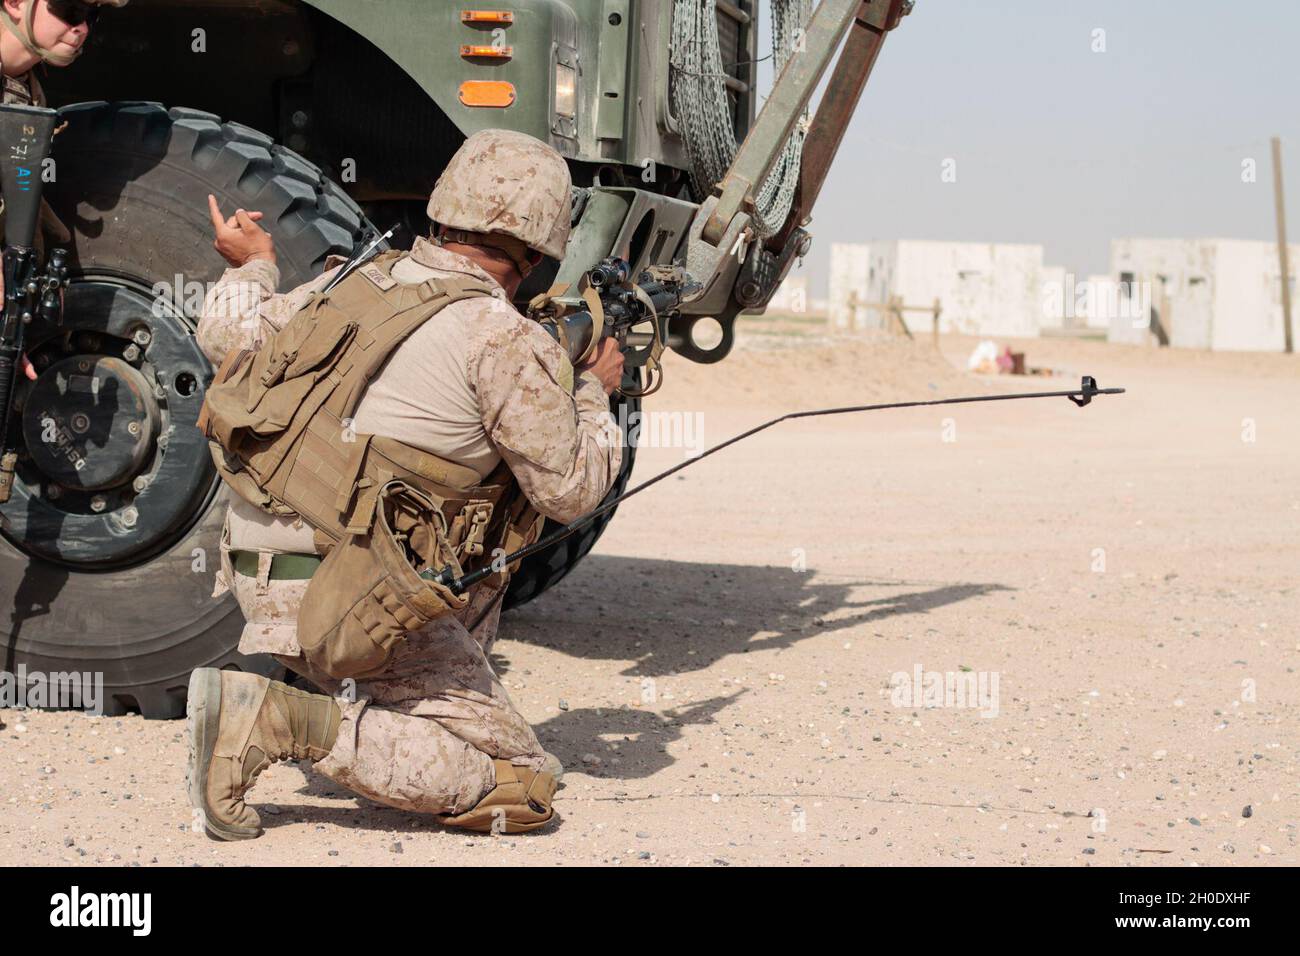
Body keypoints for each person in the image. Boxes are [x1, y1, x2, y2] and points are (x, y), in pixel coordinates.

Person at [185, 129, 624, 839]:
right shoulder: (501, 338)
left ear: (444, 212)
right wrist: (593, 393)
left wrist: (256, 267)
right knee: (521, 783)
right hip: (346, 593)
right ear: (538, 253)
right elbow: (569, 491)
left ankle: (337, 694)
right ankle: (275, 720)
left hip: (253, 557)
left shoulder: (349, 279)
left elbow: (223, 333)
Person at [1, 0, 126, 379]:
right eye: (71, 10)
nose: (82, 29)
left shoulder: (25, 90)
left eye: (92, 17)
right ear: (16, 3)